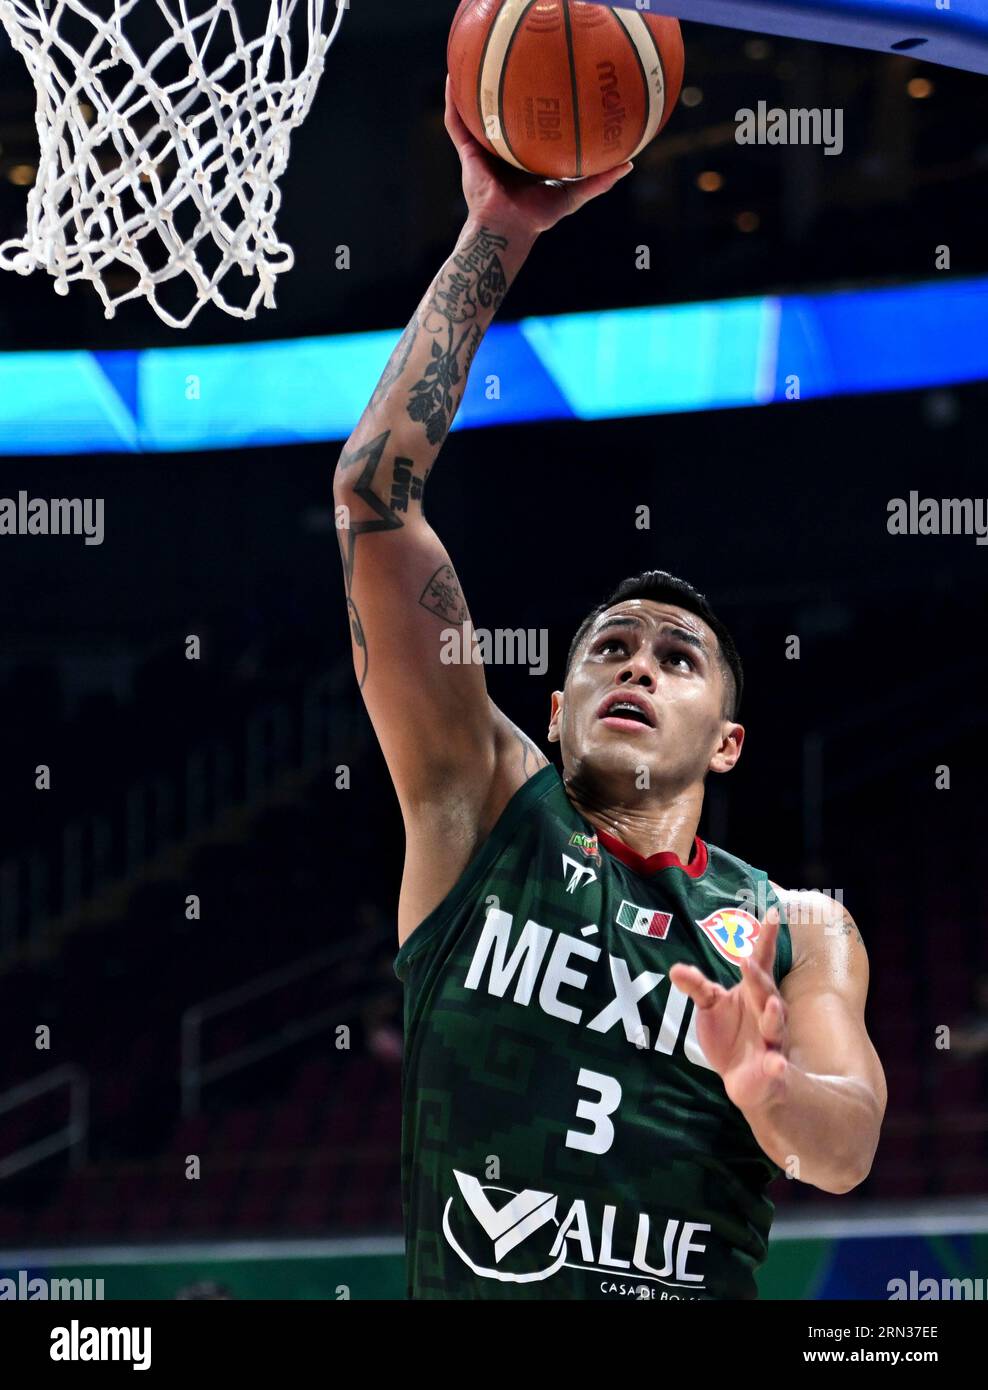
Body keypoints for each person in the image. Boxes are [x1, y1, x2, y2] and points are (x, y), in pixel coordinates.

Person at [331, 79, 887, 1300]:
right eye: (609, 650)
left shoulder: (797, 928)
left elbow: (842, 1149)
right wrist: (499, 234)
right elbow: (376, 498)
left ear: (728, 742)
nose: (638, 662)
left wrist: (768, 1088)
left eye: (676, 658)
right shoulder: (480, 811)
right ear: (554, 708)